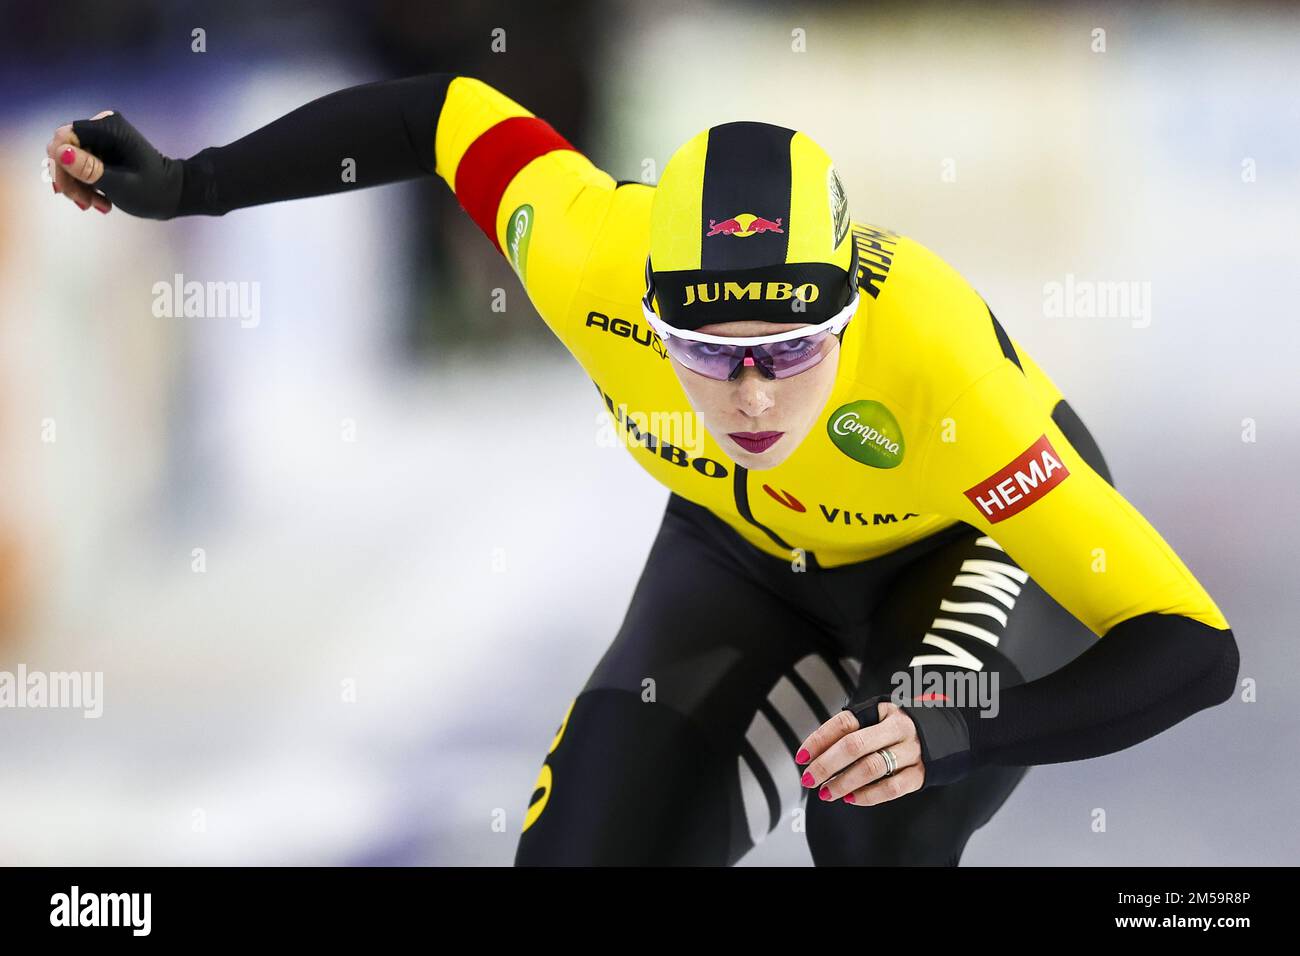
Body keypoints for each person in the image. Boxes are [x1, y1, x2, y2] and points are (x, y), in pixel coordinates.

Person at [47, 72, 1240, 866]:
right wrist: (194, 186)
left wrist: (968, 727)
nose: (755, 395)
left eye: (790, 349)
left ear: (849, 312)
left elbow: (1192, 644)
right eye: (709, 357)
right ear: (647, 314)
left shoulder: (942, 375)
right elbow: (441, 116)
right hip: (746, 549)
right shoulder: (588, 253)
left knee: (880, 804)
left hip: (959, 547)